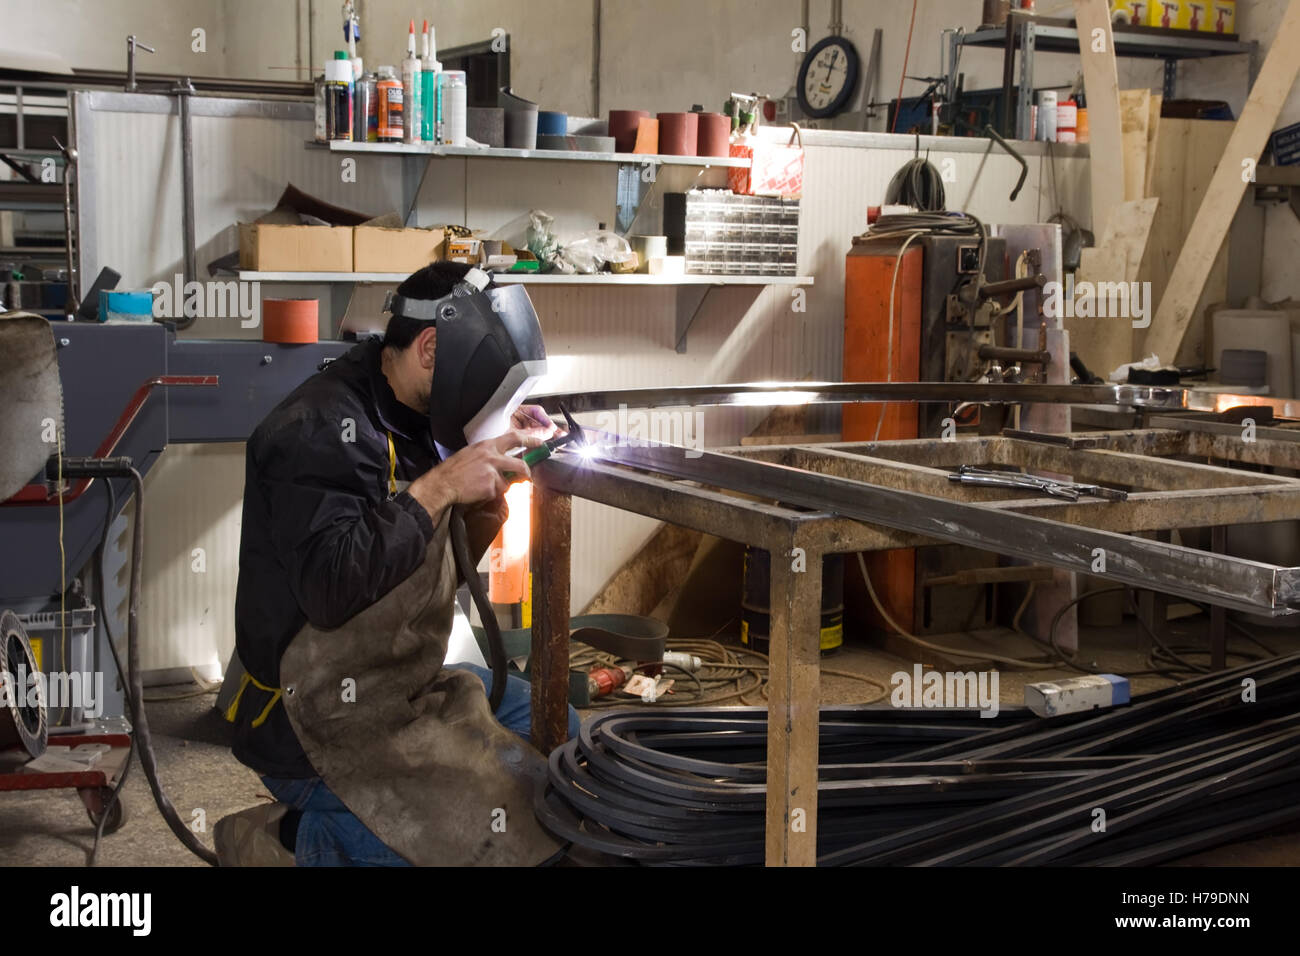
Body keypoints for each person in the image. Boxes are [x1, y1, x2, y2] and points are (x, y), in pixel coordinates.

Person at [221, 261, 578, 866]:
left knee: (564, 736)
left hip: (405, 684)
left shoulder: (424, 419)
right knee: (494, 833)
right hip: (311, 718)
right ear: (432, 348)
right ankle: (291, 842)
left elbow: (442, 564)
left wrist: (491, 472)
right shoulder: (316, 431)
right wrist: (438, 486)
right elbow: (331, 589)